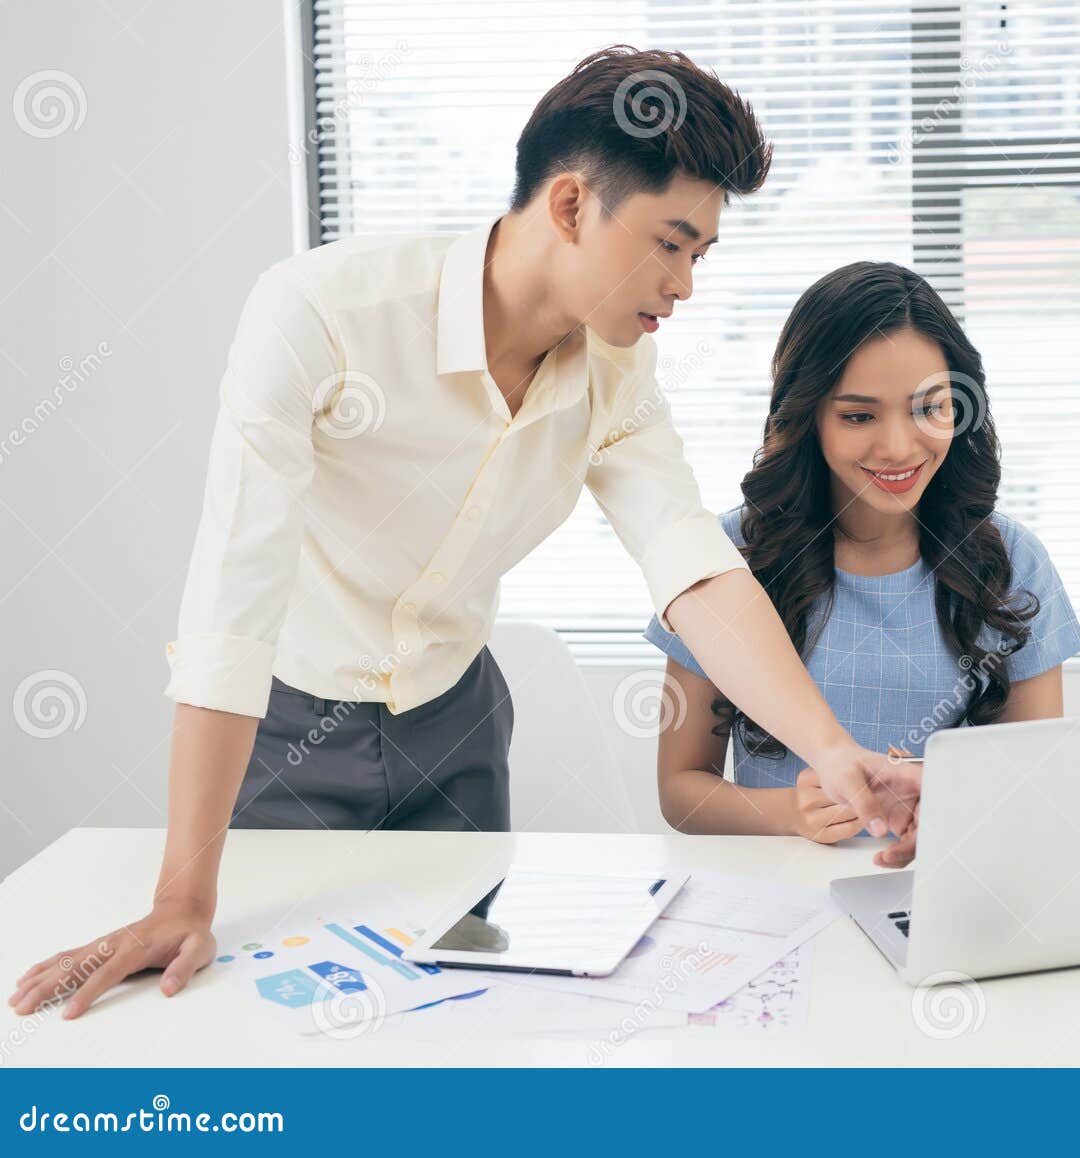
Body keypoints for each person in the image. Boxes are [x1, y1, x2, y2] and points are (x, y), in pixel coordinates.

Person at [9, 48, 917, 1022]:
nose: (685, 284)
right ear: (571, 206)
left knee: (465, 1005)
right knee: (258, 1015)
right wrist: (180, 898)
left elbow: (690, 566)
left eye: (701, 255)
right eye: (670, 243)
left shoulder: (618, 372)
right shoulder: (320, 313)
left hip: (459, 723)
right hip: (283, 730)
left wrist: (828, 748)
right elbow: (234, 603)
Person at [646, 262, 1080, 867]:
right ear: (810, 418)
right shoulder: (728, 560)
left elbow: (1038, 783)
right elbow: (680, 789)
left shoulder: (1012, 562)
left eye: (929, 408)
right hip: (780, 893)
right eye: (859, 416)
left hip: (945, 894)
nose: (900, 447)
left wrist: (953, 801)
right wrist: (788, 815)